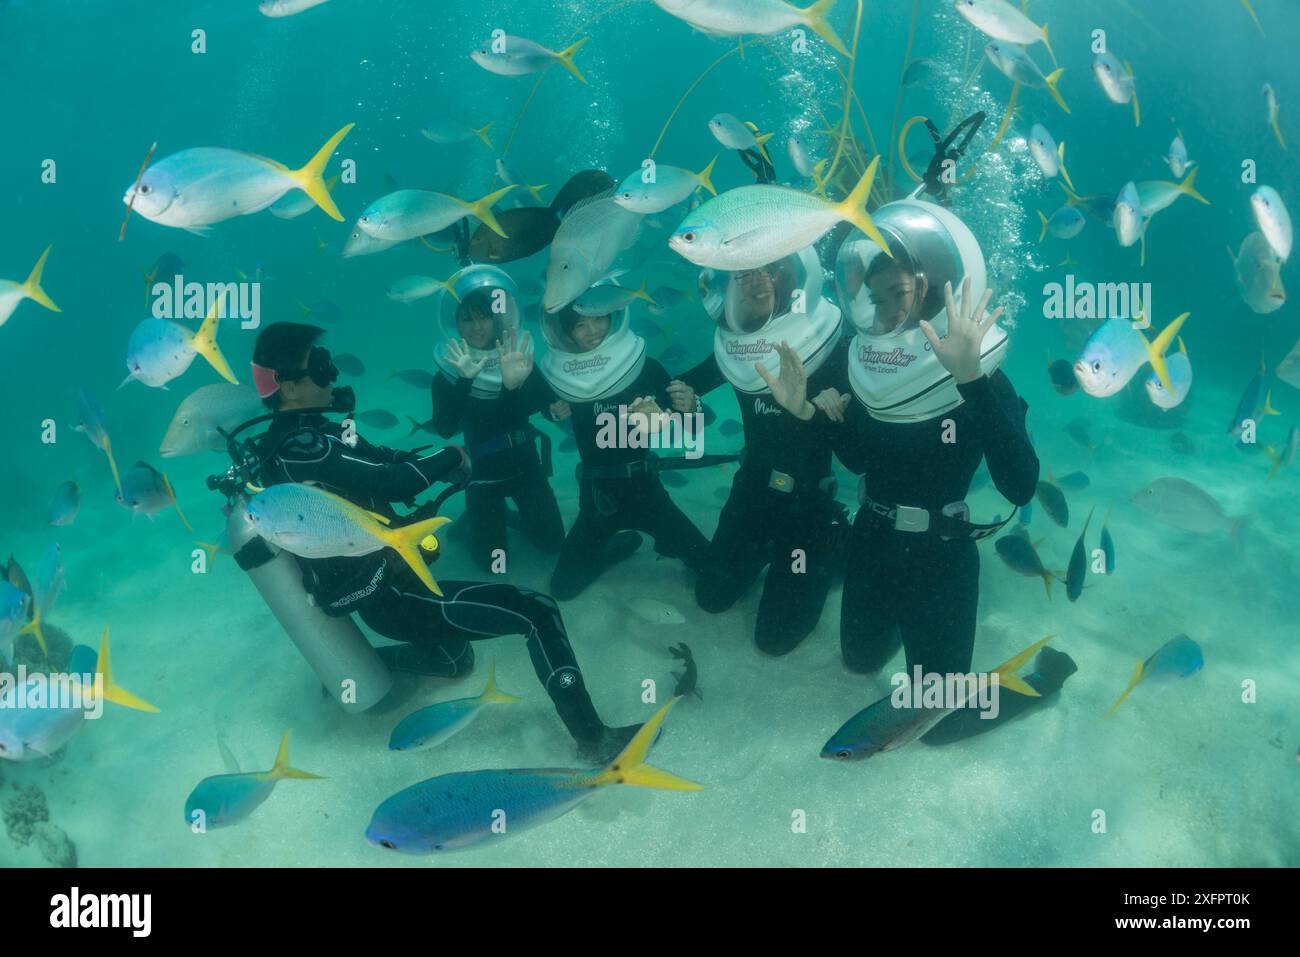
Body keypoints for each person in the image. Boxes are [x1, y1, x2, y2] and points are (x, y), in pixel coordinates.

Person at [247, 321, 642, 762]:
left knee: (458, 660)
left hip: (386, 587)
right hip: (391, 596)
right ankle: (594, 741)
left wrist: (429, 461)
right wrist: (452, 455)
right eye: (320, 368)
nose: (333, 375)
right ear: (289, 388)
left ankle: (383, 662)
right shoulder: (305, 447)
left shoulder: (298, 440)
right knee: (538, 611)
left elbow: (383, 459)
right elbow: (393, 481)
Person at [761, 199, 1077, 742]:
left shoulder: (981, 377)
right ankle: (903, 630)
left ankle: (1047, 679)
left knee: (934, 723)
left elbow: (1020, 485)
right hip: (873, 539)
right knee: (858, 662)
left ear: (929, 292)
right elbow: (860, 459)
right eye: (877, 298)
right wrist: (807, 415)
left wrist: (972, 380)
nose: (885, 312)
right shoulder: (870, 370)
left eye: (899, 295)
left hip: (942, 556)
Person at [678, 246, 850, 655]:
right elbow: (684, 385)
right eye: (743, 275)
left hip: (808, 503)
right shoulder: (734, 345)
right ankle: (764, 550)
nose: (755, 281)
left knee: (773, 640)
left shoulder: (830, 338)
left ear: (787, 276)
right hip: (752, 490)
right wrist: (677, 401)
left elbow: (862, 433)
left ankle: (837, 543)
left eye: (766, 271)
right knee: (710, 597)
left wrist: (825, 410)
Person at [536, 291, 710, 600]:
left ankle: (644, 539)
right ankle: (614, 550)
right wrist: (551, 411)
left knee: (712, 569)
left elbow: (690, 426)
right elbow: (540, 405)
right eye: (579, 325)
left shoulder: (646, 367)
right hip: (597, 499)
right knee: (562, 589)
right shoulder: (559, 378)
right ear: (565, 333)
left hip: (648, 493)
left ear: (612, 316)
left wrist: (690, 406)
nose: (593, 331)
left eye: (598, 318)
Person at [432, 267, 564, 572]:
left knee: (552, 544)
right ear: (456, 324)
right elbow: (445, 428)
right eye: (468, 319)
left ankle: (503, 516)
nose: (477, 327)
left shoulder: (516, 355)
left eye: (483, 317)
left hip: (525, 465)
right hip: (484, 473)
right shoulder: (448, 372)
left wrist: (554, 409)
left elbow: (544, 404)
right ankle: (481, 517)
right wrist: (464, 381)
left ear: (496, 319)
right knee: (491, 565)